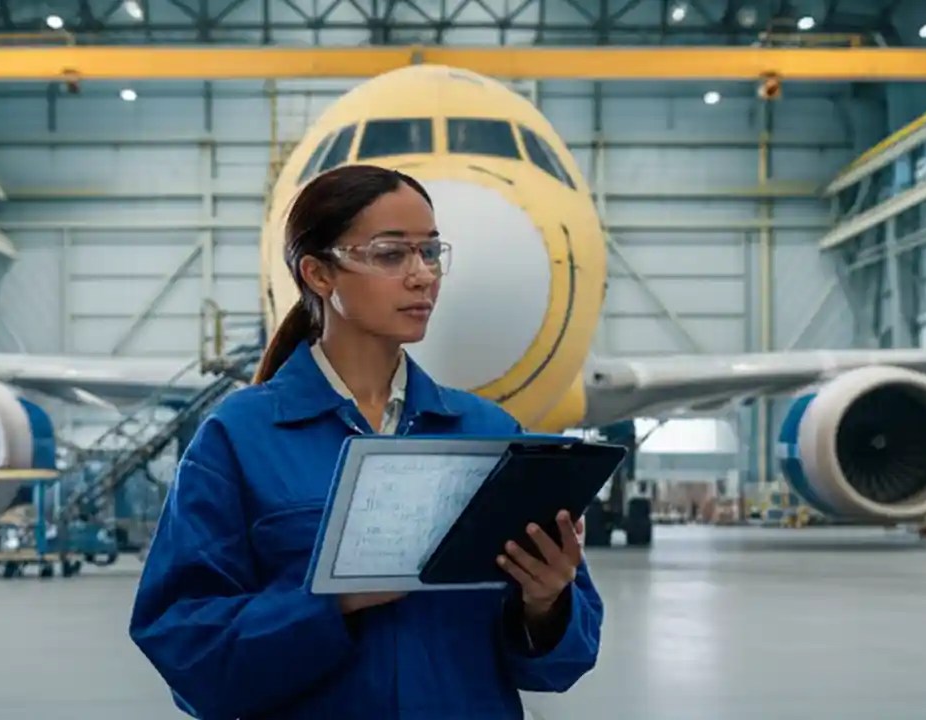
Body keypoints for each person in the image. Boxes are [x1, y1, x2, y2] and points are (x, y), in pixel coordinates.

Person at [129, 164, 604, 719]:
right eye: (390, 254)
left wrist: (546, 601)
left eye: (430, 253)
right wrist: (331, 604)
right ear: (318, 274)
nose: (423, 275)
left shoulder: (491, 436)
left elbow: (560, 665)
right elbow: (188, 653)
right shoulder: (238, 439)